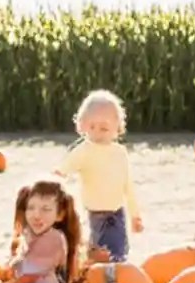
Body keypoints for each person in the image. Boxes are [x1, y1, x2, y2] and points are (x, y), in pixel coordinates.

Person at [53, 89, 143, 262]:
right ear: (82, 125)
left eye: (104, 128)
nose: (97, 133)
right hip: (94, 215)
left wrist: (135, 214)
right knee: (96, 254)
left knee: (117, 253)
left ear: (117, 128)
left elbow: (127, 186)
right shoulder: (83, 151)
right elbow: (63, 170)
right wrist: (55, 179)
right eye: (92, 127)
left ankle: (115, 279)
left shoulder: (120, 153)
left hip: (117, 213)